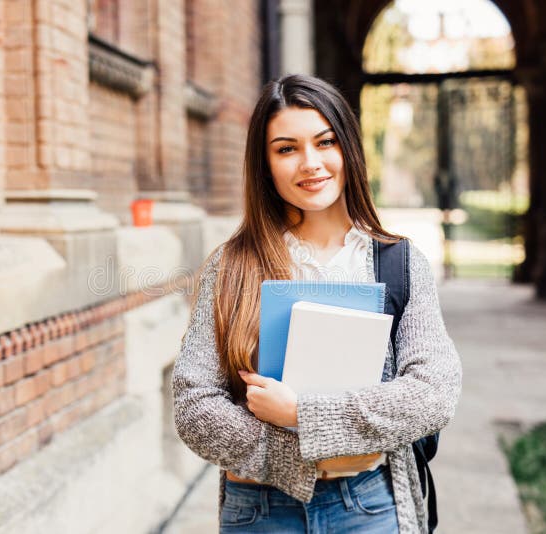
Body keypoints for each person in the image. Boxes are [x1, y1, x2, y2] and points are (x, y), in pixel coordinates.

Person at [173, 74, 462, 533]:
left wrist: (300, 415)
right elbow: (194, 405)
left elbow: (433, 394)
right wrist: (304, 451)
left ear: (348, 148)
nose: (310, 163)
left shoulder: (399, 264)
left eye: (324, 142)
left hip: (367, 506)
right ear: (265, 163)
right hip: (259, 511)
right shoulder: (232, 266)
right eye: (286, 149)